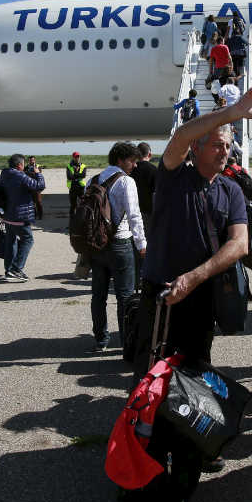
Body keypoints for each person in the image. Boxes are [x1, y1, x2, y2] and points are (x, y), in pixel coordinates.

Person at [136, 87, 252, 473]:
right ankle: (148, 447)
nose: (224, 150)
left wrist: (196, 277)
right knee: (153, 369)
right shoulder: (174, 175)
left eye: (228, 145)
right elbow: (179, 136)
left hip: (198, 295)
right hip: (161, 295)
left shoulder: (230, 189)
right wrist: (233, 112)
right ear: (197, 148)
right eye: (215, 144)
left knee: (196, 371)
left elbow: (240, 244)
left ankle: (196, 442)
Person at [88, 142, 147, 352]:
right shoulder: (126, 182)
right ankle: (126, 342)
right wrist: (142, 245)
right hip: (120, 244)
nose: (135, 165)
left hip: (96, 245)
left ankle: (101, 340)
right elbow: (134, 216)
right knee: (124, 296)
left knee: (99, 295)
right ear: (121, 160)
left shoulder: (93, 180)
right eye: (132, 161)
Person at [0, 154, 46, 282]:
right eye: (23, 164)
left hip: (7, 215)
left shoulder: (4, 174)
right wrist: (38, 173)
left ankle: (9, 270)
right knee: (28, 240)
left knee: (11, 242)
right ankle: (16, 269)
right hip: (20, 216)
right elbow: (39, 186)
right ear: (19, 165)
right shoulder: (20, 176)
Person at [130, 142, 157, 229]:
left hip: (132, 212)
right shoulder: (154, 170)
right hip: (149, 212)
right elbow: (156, 194)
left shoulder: (130, 170)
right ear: (149, 154)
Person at [66, 152, 88, 224]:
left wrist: (74, 175)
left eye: (78, 157)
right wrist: (78, 174)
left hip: (81, 187)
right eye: (76, 157)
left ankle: (82, 220)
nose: (77, 158)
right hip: (72, 187)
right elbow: (69, 176)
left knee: (83, 204)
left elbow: (83, 175)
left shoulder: (83, 166)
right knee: (73, 205)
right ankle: (71, 222)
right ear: (73, 157)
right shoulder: (69, 166)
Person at [26, 155, 44, 220]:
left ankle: (41, 215)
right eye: (30, 160)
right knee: (32, 203)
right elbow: (25, 174)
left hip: (37, 186)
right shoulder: (26, 167)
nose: (32, 161)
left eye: (33, 160)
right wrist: (33, 173)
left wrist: (31, 173)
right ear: (29, 161)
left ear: (34, 160)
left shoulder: (38, 166)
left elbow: (39, 174)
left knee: (39, 202)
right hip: (30, 187)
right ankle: (35, 215)